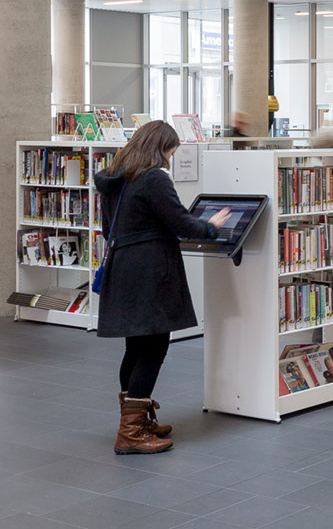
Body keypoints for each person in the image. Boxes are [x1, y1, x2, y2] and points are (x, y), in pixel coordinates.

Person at [94, 118, 231, 454]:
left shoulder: (115, 177)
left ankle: (136, 421)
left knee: (135, 346)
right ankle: (130, 433)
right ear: (161, 148)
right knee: (154, 347)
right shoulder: (153, 177)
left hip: (123, 268)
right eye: (171, 151)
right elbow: (180, 222)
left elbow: (108, 228)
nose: (171, 157)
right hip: (151, 270)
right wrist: (211, 226)